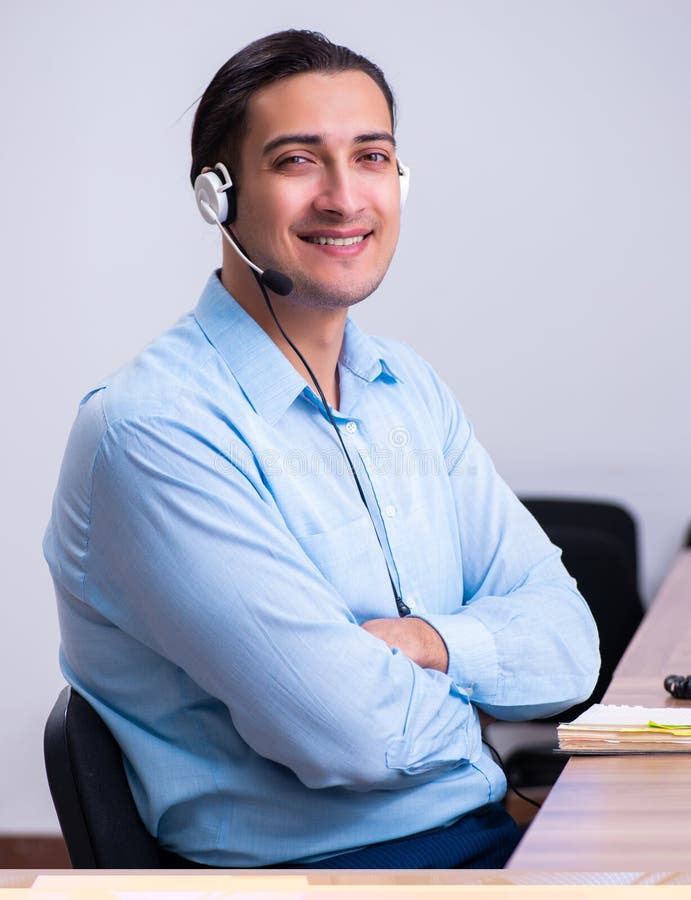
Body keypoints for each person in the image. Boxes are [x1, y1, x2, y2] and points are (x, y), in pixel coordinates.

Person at [44, 29, 599, 869]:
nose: (345, 199)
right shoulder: (154, 432)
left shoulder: (404, 388)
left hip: (486, 843)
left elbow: (571, 648)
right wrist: (483, 677)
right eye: (299, 161)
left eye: (371, 157)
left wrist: (424, 644)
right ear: (216, 196)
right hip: (321, 878)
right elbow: (356, 737)